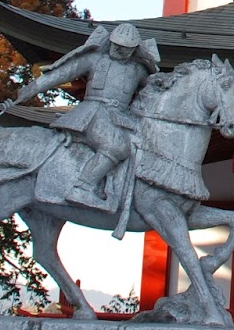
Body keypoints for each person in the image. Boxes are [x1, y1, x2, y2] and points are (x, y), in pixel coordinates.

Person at [18, 22, 161, 201]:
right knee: (116, 147)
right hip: (93, 113)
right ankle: (82, 187)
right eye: (116, 45)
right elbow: (62, 74)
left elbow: (155, 89)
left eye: (125, 48)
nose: (119, 50)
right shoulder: (94, 59)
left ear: (134, 50)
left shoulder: (138, 70)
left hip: (122, 117)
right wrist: (31, 89)